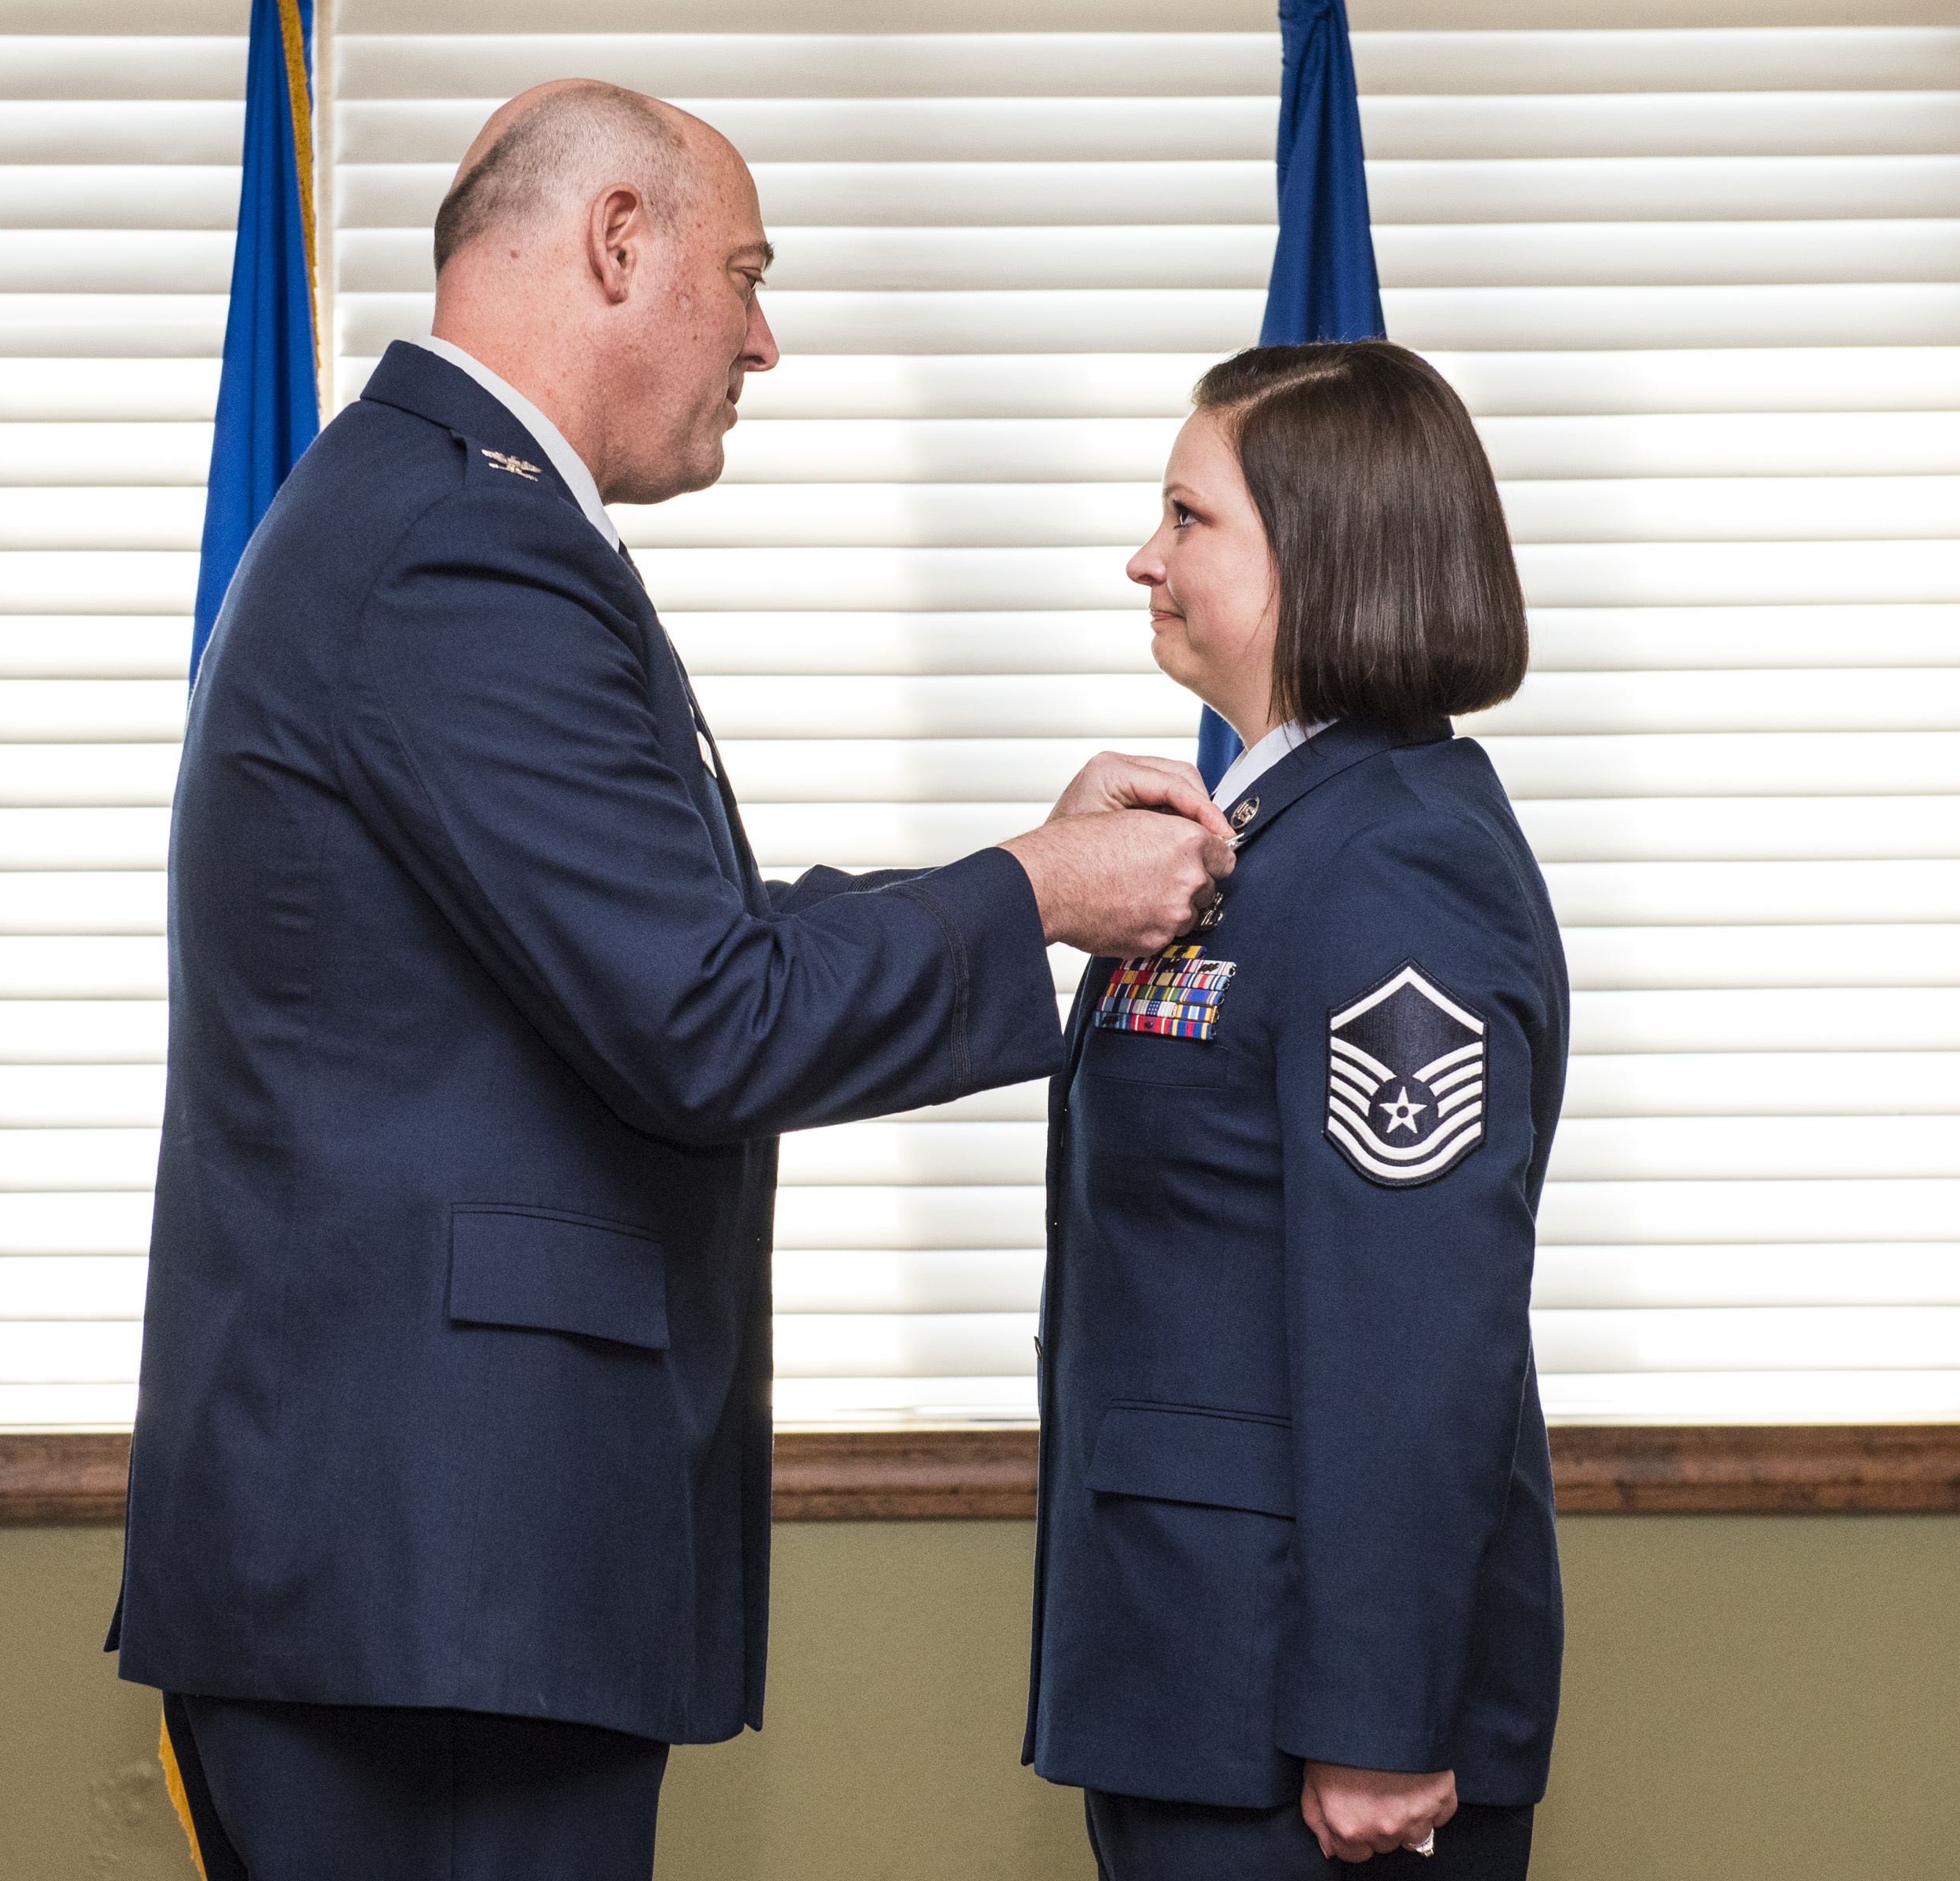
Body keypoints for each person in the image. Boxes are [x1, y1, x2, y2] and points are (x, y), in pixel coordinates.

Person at [111, 80, 1234, 1879]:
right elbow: (699, 1012)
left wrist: (1014, 874)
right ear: (620, 242)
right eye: (748, 274)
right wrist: (1032, 894)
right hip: (433, 1581)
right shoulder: (461, 546)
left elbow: (643, 938)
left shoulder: (437, 512)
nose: (766, 343)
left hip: (427, 1576)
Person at [1024, 341, 1568, 1879]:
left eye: (1189, 518)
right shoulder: (1276, 831)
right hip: (1198, 1684)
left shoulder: (1393, 862)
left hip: (1305, 1725)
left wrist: (1385, 1715)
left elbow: (1414, 1323)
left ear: (1317, 556)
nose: (1145, 554)